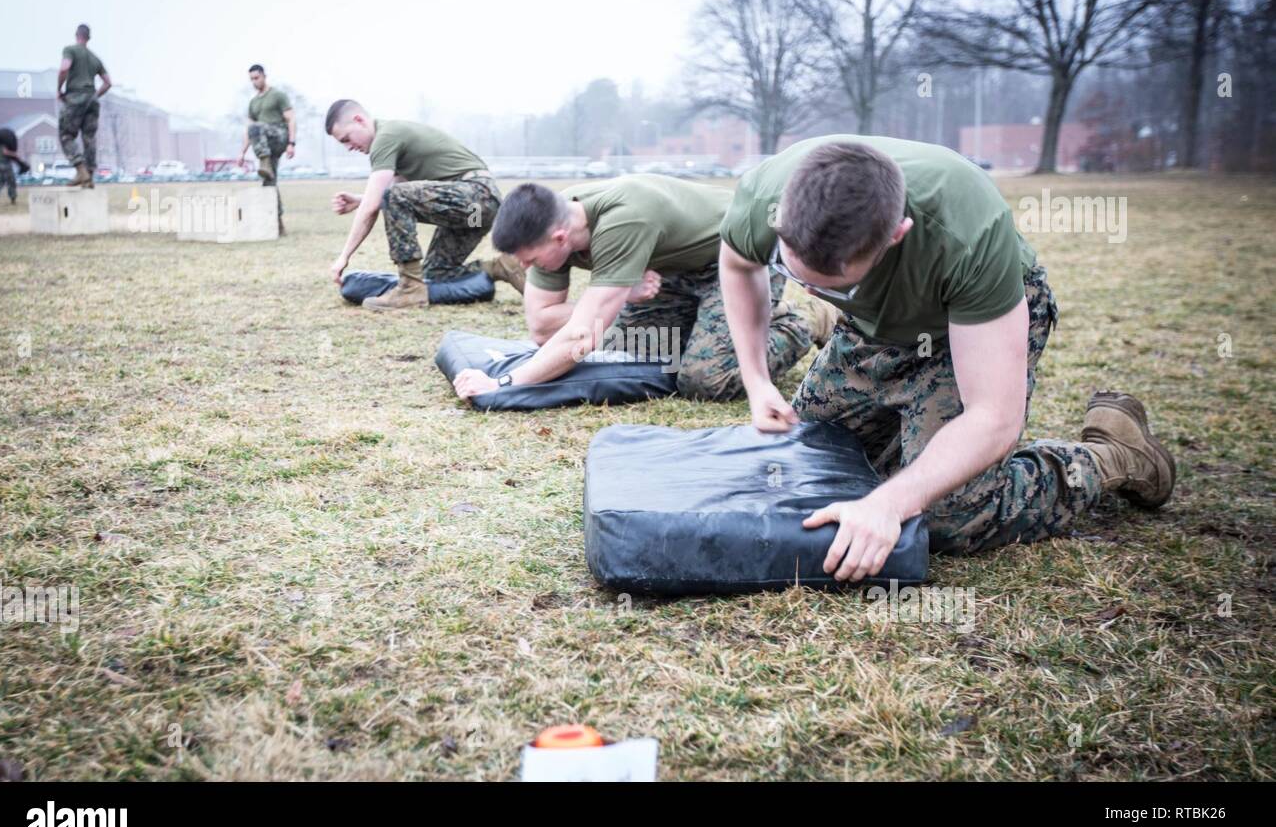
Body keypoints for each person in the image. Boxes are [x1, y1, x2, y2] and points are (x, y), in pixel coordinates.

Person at [718, 136, 1176, 581]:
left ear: (897, 234)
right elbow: (739, 265)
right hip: (872, 327)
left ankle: (1115, 454)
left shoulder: (967, 232)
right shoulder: (768, 194)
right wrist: (757, 380)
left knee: (946, 514)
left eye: (835, 286)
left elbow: (994, 417)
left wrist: (891, 504)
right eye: (795, 271)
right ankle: (915, 450)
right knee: (818, 460)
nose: (813, 292)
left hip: (963, 330)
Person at [452, 176, 834, 401]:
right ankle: (716, 329)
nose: (524, 268)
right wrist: (623, 294)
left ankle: (803, 321)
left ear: (559, 236)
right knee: (628, 346)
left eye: (531, 261)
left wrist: (503, 383)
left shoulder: (621, 222)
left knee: (705, 379)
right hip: (674, 270)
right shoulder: (549, 221)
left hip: (737, 260)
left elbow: (580, 336)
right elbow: (542, 326)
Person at [325, 100, 524, 310]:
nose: (348, 147)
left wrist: (344, 256)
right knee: (437, 274)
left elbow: (384, 201)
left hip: (476, 198)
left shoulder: (385, 137)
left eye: (346, 139)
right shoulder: (395, 139)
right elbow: (399, 192)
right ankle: (499, 267)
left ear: (359, 120)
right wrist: (359, 200)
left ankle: (410, 289)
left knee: (394, 197)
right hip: (473, 214)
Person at [237, 64, 294, 232]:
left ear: (264, 76)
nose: (254, 82)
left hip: (279, 136)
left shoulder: (277, 95)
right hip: (265, 146)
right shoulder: (253, 103)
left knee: (256, 127)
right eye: (252, 79)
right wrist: (242, 152)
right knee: (269, 182)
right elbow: (249, 129)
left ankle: (264, 161)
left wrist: (291, 143)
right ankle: (277, 222)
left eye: (257, 78)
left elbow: (291, 119)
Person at [56, 24, 111, 188]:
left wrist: (59, 89)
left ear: (76, 35)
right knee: (89, 138)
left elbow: (64, 68)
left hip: (75, 97)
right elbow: (108, 83)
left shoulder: (70, 50)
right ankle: (89, 177)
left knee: (66, 135)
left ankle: (81, 170)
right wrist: (94, 96)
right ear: (89, 37)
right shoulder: (95, 58)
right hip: (92, 101)